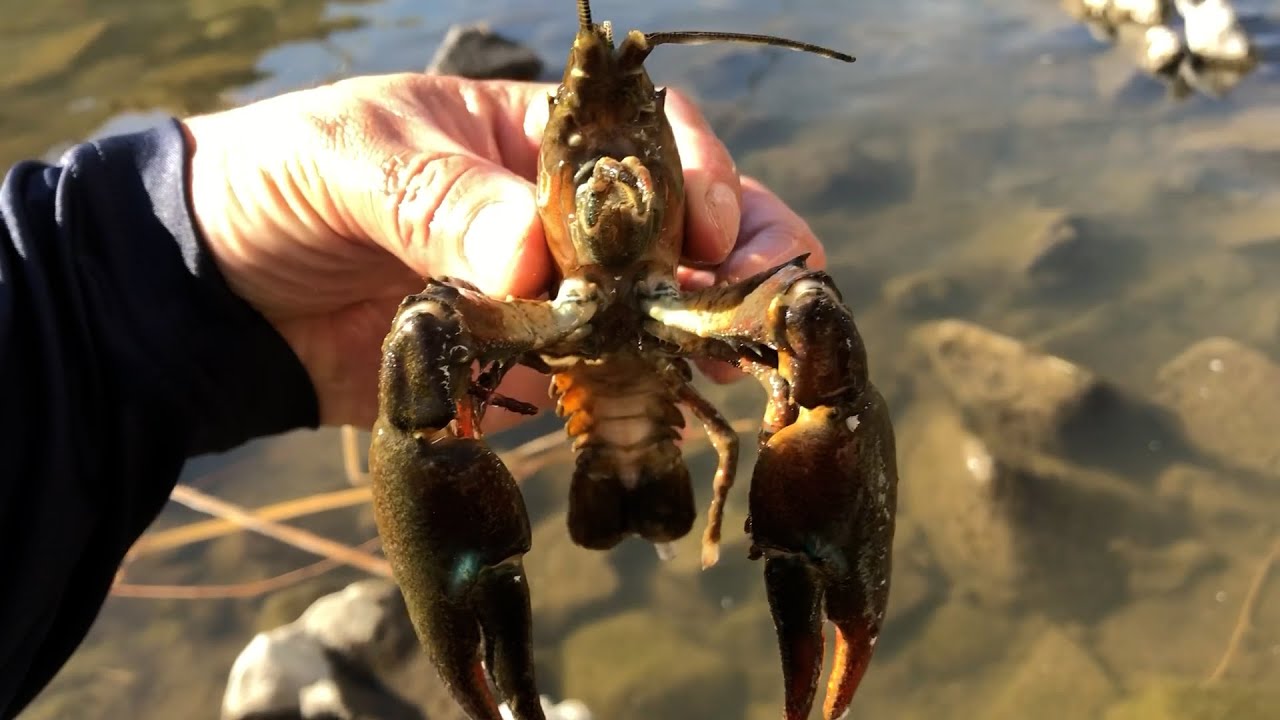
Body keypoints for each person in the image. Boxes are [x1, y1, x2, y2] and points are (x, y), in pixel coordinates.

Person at [0, 72, 826, 718]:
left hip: (647, 357)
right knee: (425, 330)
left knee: (809, 313)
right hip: (582, 360)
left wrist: (125, 280)